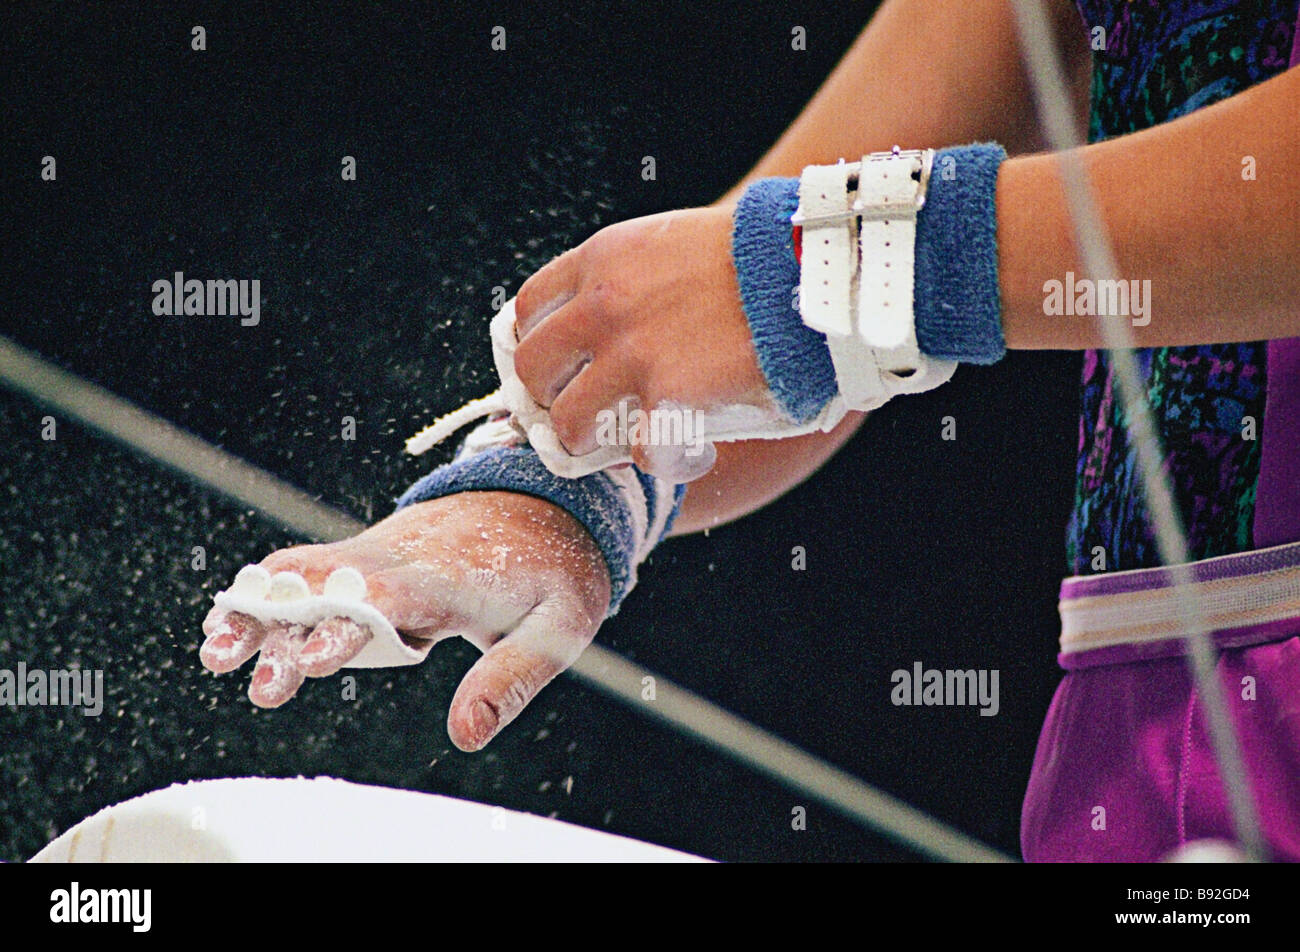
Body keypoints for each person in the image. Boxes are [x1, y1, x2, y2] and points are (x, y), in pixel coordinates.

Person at [200, 0, 1300, 861]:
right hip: (1131, 749)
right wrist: (565, 485)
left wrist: (866, 267)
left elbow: (809, 271)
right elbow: (758, 317)